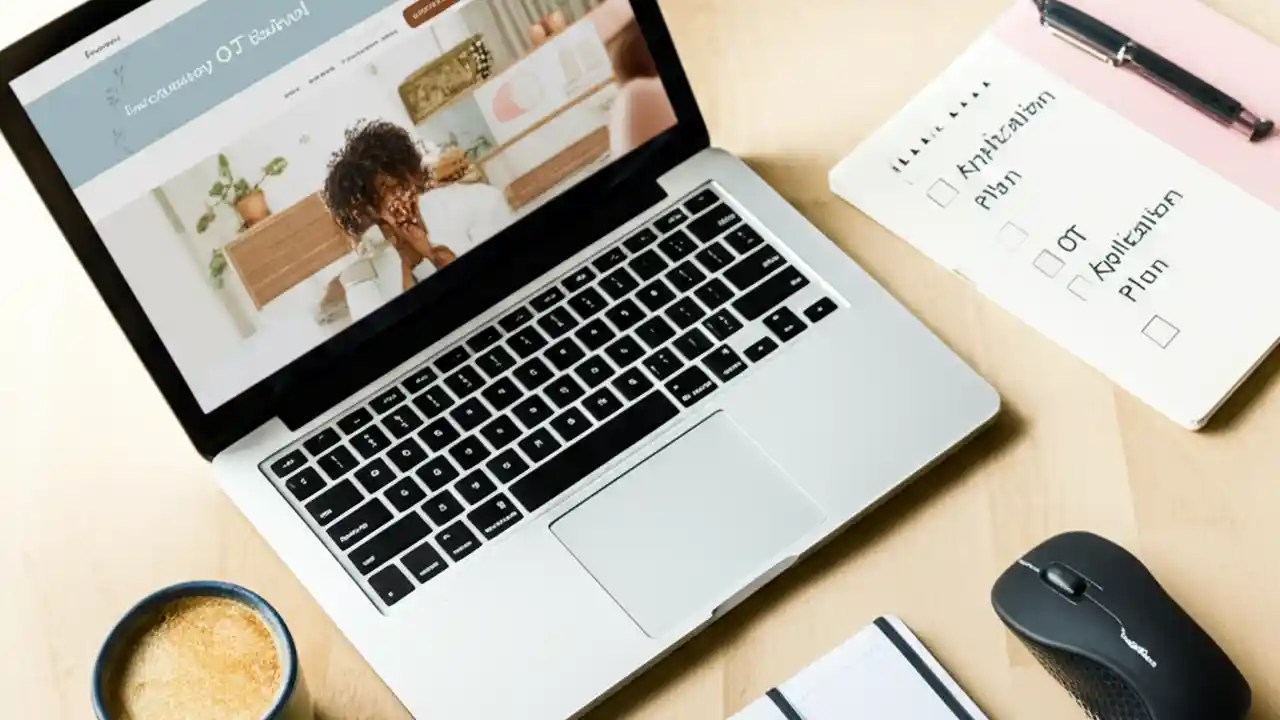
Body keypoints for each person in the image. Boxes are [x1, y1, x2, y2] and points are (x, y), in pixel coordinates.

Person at [323, 120, 506, 291]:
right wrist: (408, 263)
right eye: (374, 207)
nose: (393, 207)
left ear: (414, 175)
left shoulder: (480, 201)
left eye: (394, 187)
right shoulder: (385, 270)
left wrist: (431, 252)